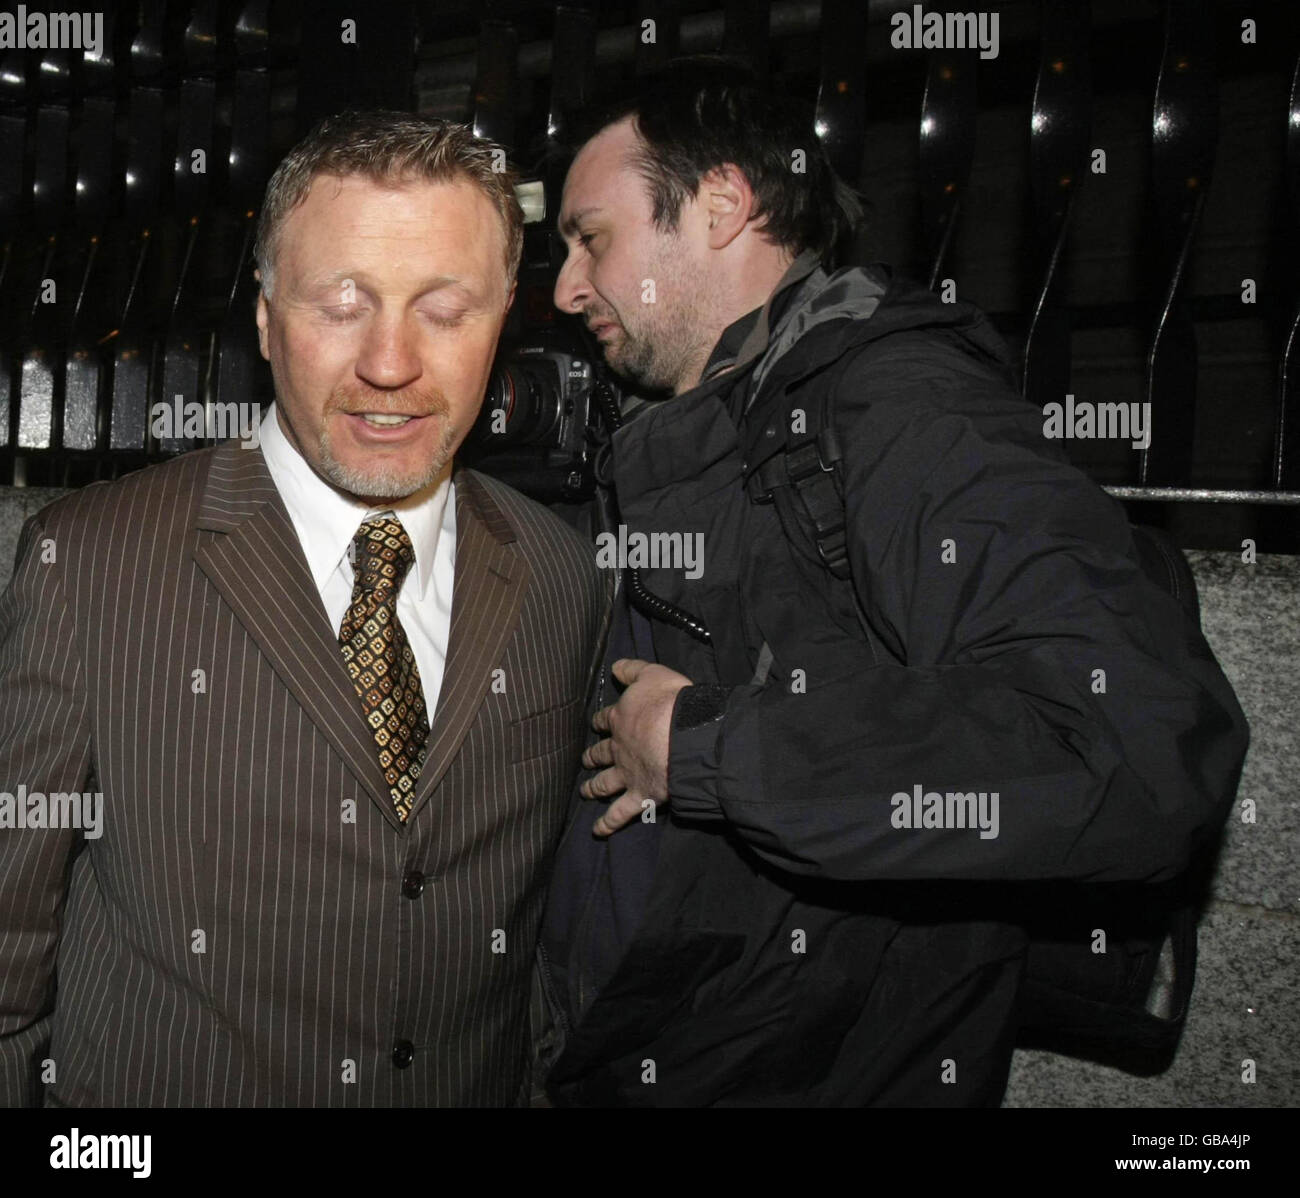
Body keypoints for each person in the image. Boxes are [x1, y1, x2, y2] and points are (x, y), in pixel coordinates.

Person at [533, 57, 1249, 1106]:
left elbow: (1134, 745)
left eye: (590, 237)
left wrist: (706, 750)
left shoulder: (895, 408)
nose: (562, 286)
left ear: (723, 205)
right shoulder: (670, 425)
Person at [0, 110, 611, 1107]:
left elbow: (533, 932)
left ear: (506, 314)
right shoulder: (92, 564)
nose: (389, 362)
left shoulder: (560, 574)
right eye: (340, 303)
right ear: (264, 314)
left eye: (447, 310)